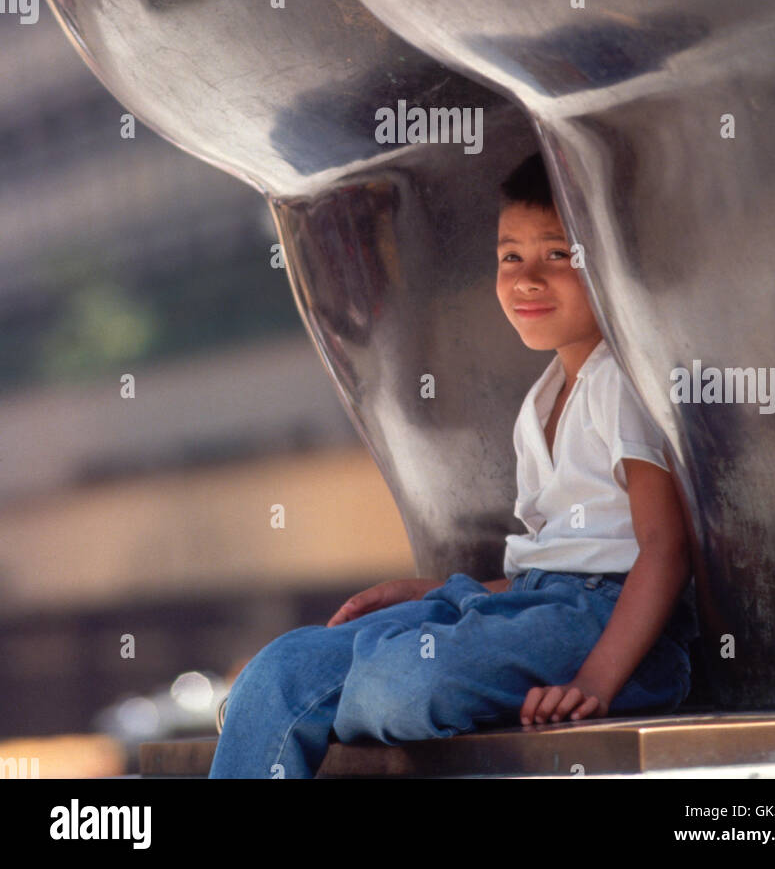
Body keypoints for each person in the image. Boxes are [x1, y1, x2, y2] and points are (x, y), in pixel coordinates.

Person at [208, 152, 698, 778]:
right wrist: (440, 595)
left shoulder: (620, 383)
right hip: (529, 605)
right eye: (510, 257)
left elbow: (664, 548)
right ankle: (288, 707)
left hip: (608, 628)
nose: (527, 279)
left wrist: (597, 681)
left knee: (396, 684)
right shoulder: (543, 398)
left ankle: (298, 712)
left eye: (559, 255)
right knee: (279, 669)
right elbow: (556, 560)